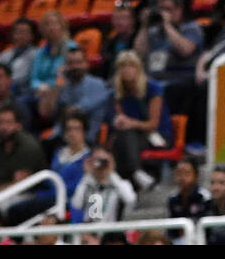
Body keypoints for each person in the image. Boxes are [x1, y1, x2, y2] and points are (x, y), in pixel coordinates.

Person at [110, 51, 171, 190]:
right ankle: (135, 174)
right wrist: (119, 121)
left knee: (126, 135)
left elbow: (153, 124)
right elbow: (122, 120)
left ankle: (130, 175)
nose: (127, 70)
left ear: (138, 68)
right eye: (122, 66)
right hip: (133, 136)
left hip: (157, 135)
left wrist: (130, 123)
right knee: (122, 135)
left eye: (131, 66)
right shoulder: (118, 93)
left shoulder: (153, 88)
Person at [52, 46, 114, 145]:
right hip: (65, 138)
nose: (75, 66)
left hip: (89, 140)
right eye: (70, 63)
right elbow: (48, 111)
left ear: (86, 64)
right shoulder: (64, 85)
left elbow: (75, 111)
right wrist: (58, 81)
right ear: (65, 66)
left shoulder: (98, 84)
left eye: (79, 62)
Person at [0, 104, 46, 193]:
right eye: (0, 122)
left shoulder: (28, 146)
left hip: (28, 195)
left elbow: (19, 185)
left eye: (8, 122)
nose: (4, 127)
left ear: (18, 125)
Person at [72, 149, 136, 223]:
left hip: (110, 230)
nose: (101, 164)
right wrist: (87, 174)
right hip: (87, 229)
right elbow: (76, 204)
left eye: (104, 161)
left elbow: (130, 200)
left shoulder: (120, 184)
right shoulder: (87, 183)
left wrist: (111, 171)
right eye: (97, 160)